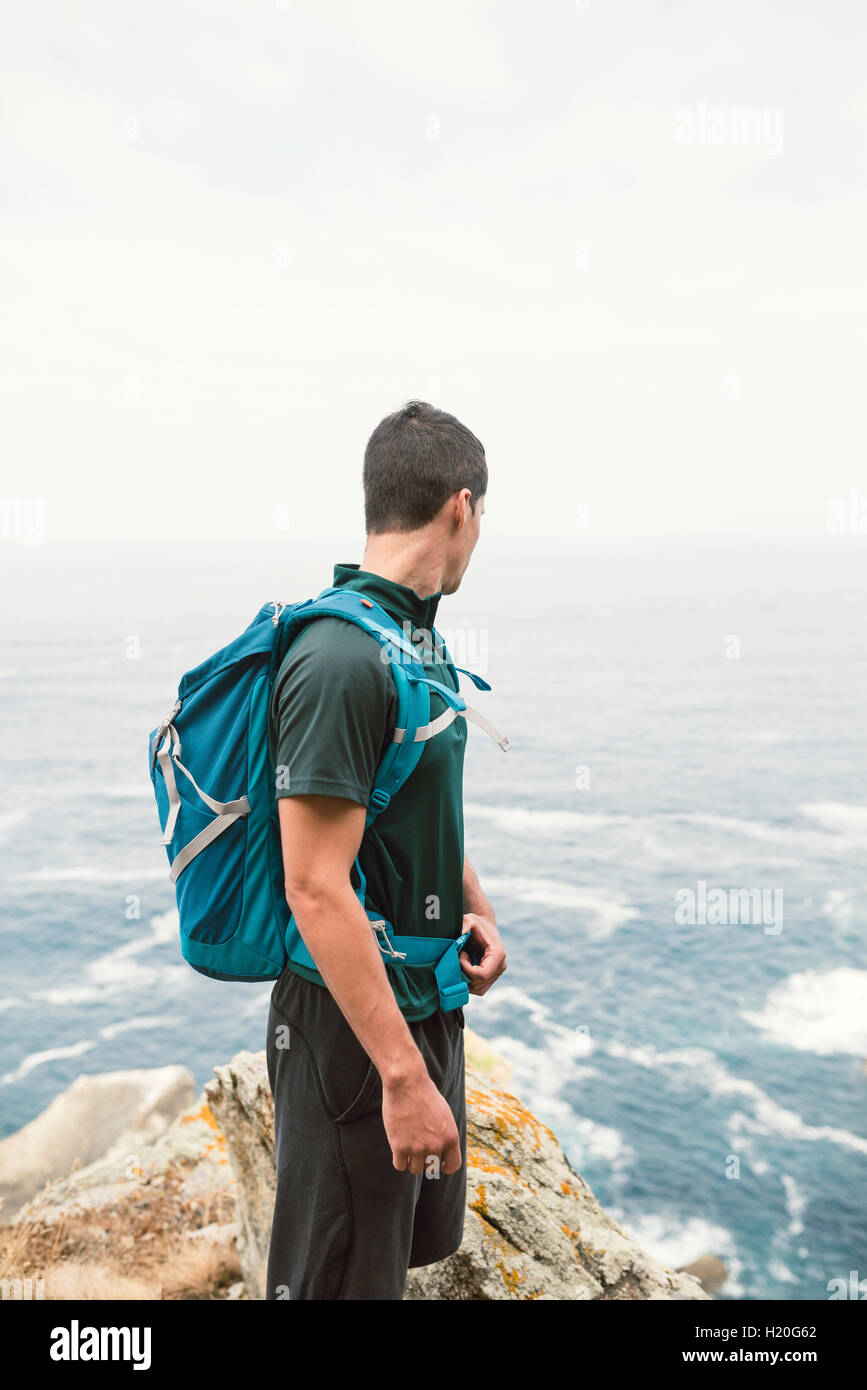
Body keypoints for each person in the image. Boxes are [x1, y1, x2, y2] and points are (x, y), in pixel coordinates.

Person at [264, 400, 506, 1301]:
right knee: (332, 1284)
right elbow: (314, 885)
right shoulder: (338, 659)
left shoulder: (414, 639)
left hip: (421, 997)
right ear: (462, 507)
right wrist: (400, 1076)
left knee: (390, 1265)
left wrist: (472, 903)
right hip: (349, 1034)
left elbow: (410, 803)